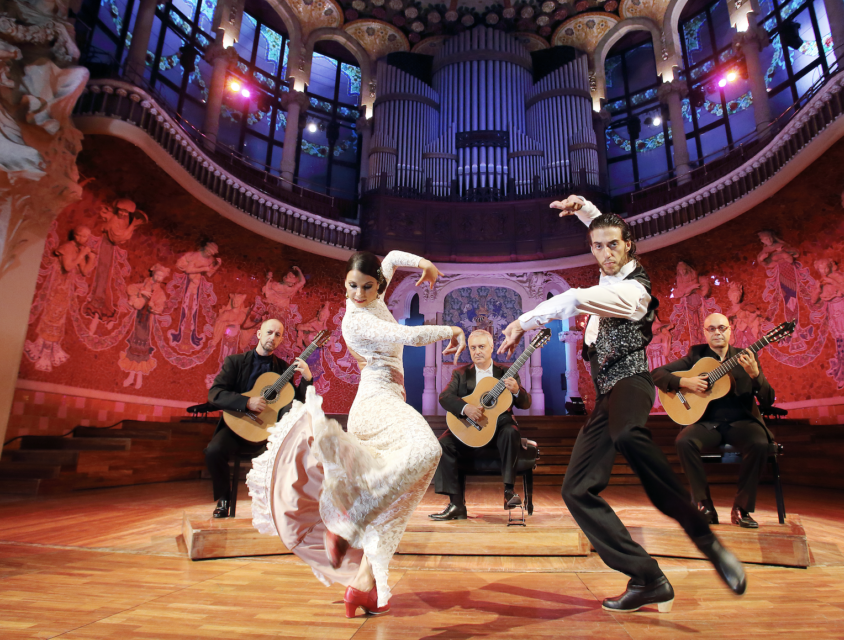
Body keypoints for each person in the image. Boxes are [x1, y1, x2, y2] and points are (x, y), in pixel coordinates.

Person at [499, 195, 746, 614]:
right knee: (575, 489)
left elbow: (575, 298)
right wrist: (585, 210)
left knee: (629, 433)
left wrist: (523, 321)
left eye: (613, 245)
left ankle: (705, 538)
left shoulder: (634, 291)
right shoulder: (609, 273)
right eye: (597, 246)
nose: (605, 254)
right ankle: (647, 577)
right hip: (605, 398)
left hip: (632, 382)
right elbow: (604, 231)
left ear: (629, 245)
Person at [248, 251, 465, 618]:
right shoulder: (356, 321)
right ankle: (348, 522)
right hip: (376, 402)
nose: (359, 294)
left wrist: (424, 264)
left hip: (389, 397)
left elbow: (393, 257)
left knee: (403, 499)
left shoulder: (375, 293)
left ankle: (367, 586)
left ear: (377, 284)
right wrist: (452, 330)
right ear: (344, 284)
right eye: (352, 286)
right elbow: (405, 335)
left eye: (366, 287)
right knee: (428, 450)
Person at [652, 313, 776, 529]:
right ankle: (704, 505)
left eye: (722, 328)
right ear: (705, 332)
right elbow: (657, 374)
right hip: (707, 423)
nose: (717, 332)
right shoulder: (696, 355)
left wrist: (756, 376)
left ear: (730, 330)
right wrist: (685, 382)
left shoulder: (746, 357)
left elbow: (768, 400)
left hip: (741, 421)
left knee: (759, 443)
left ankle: (742, 509)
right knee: (684, 441)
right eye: (712, 329)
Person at [205, 318, 311, 518]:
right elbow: (215, 393)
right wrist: (246, 402)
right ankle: (224, 498)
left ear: (280, 340)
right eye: (269, 332)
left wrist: (307, 379)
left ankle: (275, 507)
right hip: (237, 427)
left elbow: (296, 401)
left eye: (278, 335)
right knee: (213, 451)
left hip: (266, 433)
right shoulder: (235, 362)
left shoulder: (283, 369)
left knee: (290, 456)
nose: (273, 337)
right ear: (259, 334)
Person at [430, 329, 532, 519]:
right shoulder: (460, 374)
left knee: (511, 431)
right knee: (443, 443)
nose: (477, 351)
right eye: (473, 347)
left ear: (492, 347)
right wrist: (465, 408)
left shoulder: (505, 373)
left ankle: (509, 492)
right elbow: (445, 397)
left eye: (482, 347)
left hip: (500, 428)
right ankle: (456, 504)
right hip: (470, 428)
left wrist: (517, 391)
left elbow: (525, 404)